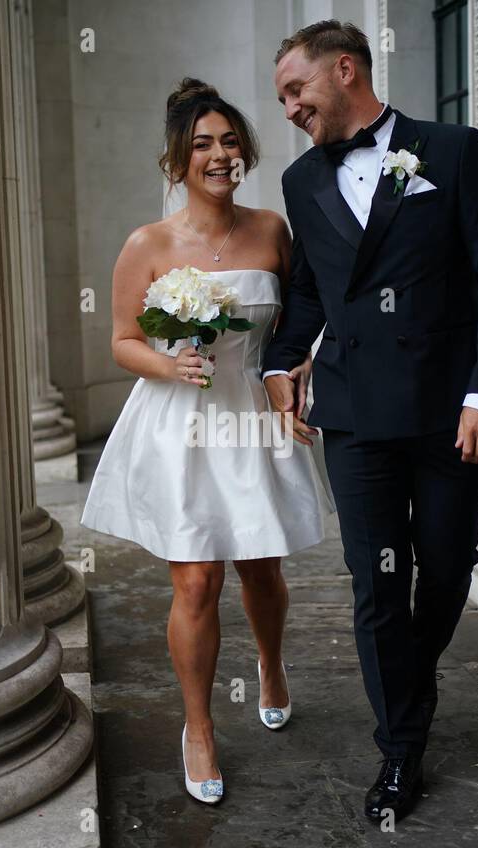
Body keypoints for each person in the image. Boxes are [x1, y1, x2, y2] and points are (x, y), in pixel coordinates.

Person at [263, 21, 478, 822]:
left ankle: (405, 683)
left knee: (446, 567)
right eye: (281, 98)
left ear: (345, 69)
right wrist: (282, 361)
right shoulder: (301, 181)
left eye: (296, 91)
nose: (289, 109)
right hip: (351, 413)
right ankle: (400, 750)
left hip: (450, 408)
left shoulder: (453, 149)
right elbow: (308, 287)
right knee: (377, 584)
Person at [80, 78, 335, 805]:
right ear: (177, 160)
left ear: (244, 151)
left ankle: (272, 664)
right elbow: (123, 340)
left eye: (228, 142)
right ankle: (197, 727)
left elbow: (295, 321)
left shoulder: (271, 230)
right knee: (197, 578)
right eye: (202, 145)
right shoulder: (148, 244)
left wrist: (297, 368)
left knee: (261, 567)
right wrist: (170, 361)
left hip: (252, 415)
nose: (219, 156)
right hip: (182, 421)